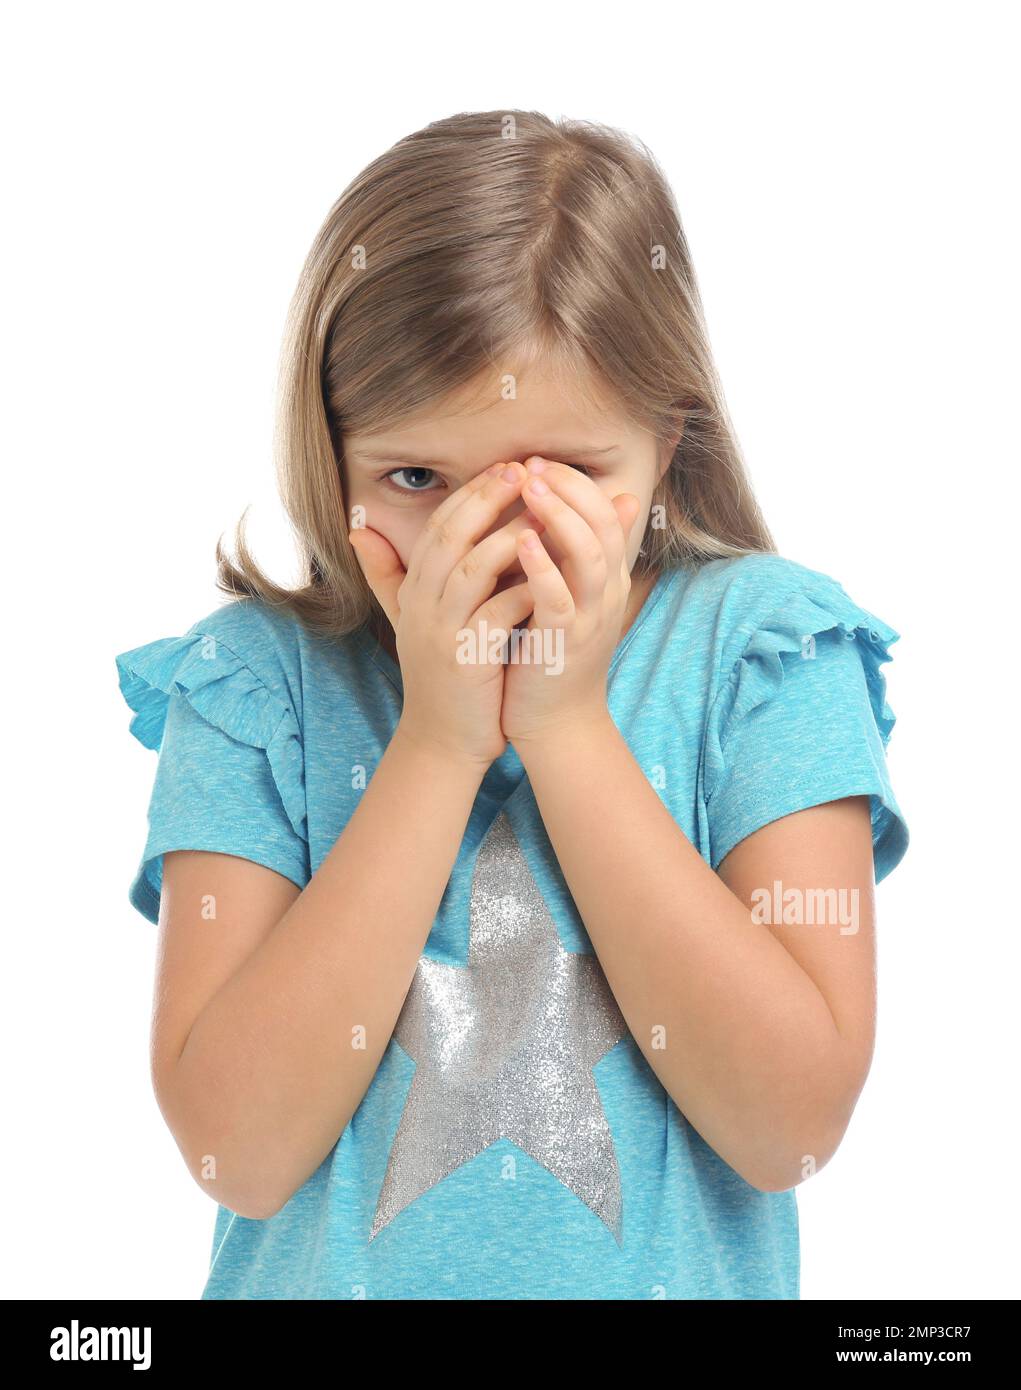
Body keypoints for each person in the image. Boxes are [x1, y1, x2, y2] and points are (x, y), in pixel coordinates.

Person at [114, 109, 909, 1299]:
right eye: (419, 478)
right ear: (327, 454)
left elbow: (787, 1119)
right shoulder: (256, 683)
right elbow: (241, 1149)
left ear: (668, 440)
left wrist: (567, 727)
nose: (490, 544)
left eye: (565, 478)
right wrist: (436, 743)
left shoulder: (767, 654)